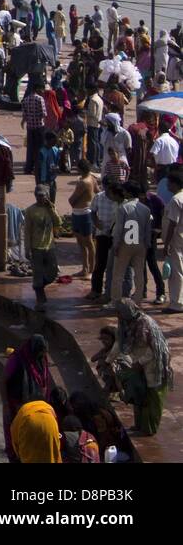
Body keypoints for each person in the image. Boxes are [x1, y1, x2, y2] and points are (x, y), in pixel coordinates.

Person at [112, 299, 172, 435]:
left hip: (154, 366)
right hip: (139, 365)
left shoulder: (145, 323)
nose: (118, 315)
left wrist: (140, 362)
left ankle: (149, 429)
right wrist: (110, 360)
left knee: (152, 400)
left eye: (119, 312)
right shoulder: (127, 323)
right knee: (139, 395)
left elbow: (155, 349)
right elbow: (121, 343)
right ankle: (139, 426)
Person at [2, 335, 51, 462]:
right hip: (15, 402)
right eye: (40, 352)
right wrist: (6, 405)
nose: (42, 355)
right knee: (14, 431)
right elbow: (4, 381)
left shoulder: (42, 358)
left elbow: (44, 379)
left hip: (35, 401)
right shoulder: (16, 359)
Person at [111, 180, 152, 305]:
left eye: (124, 190)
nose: (122, 192)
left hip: (126, 243)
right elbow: (147, 229)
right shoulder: (145, 209)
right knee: (139, 273)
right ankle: (137, 300)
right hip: (140, 244)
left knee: (118, 274)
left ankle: (116, 301)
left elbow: (119, 229)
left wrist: (116, 244)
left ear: (128, 193)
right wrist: (147, 244)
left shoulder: (123, 208)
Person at [23, 186, 59, 311]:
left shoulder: (50, 208)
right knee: (37, 274)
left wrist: (52, 209)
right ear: (35, 196)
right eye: (38, 196)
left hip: (49, 246)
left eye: (43, 196)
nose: (41, 198)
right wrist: (27, 248)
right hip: (36, 247)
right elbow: (27, 231)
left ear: (47, 196)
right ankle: (40, 299)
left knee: (52, 273)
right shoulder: (30, 211)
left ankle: (38, 286)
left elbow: (58, 222)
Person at [11, 393, 61, 463]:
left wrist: (18, 454)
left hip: (29, 423)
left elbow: (14, 434)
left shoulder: (24, 409)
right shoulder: (48, 407)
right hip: (50, 423)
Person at [68, 159, 96, 279]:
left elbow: (71, 200)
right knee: (83, 243)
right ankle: (86, 269)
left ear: (80, 169)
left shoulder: (83, 182)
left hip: (82, 213)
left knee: (87, 243)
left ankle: (90, 269)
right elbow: (98, 192)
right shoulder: (92, 179)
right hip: (82, 212)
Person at [160, 168, 183, 312]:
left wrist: (166, 243)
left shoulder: (175, 200)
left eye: (169, 183)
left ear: (174, 184)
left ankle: (176, 304)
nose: (167, 185)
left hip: (176, 239)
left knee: (176, 272)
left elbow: (173, 223)